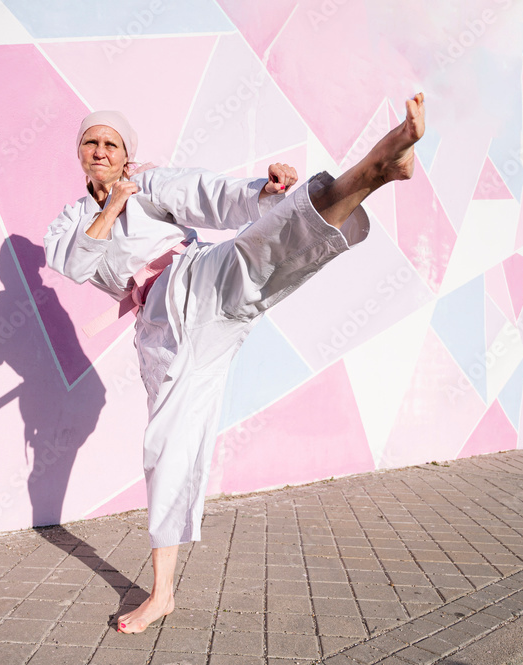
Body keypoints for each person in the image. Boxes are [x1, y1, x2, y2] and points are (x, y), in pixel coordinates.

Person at [44, 93, 425, 633]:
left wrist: (264, 191)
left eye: (112, 143)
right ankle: (163, 594)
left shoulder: (150, 185)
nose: (101, 150)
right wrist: (111, 206)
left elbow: (209, 195)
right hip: (159, 331)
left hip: (190, 279)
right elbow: (77, 264)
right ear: (79, 152)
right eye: (92, 142)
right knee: (166, 448)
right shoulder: (69, 220)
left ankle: (376, 170)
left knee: (261, 251)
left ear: (127, 153)